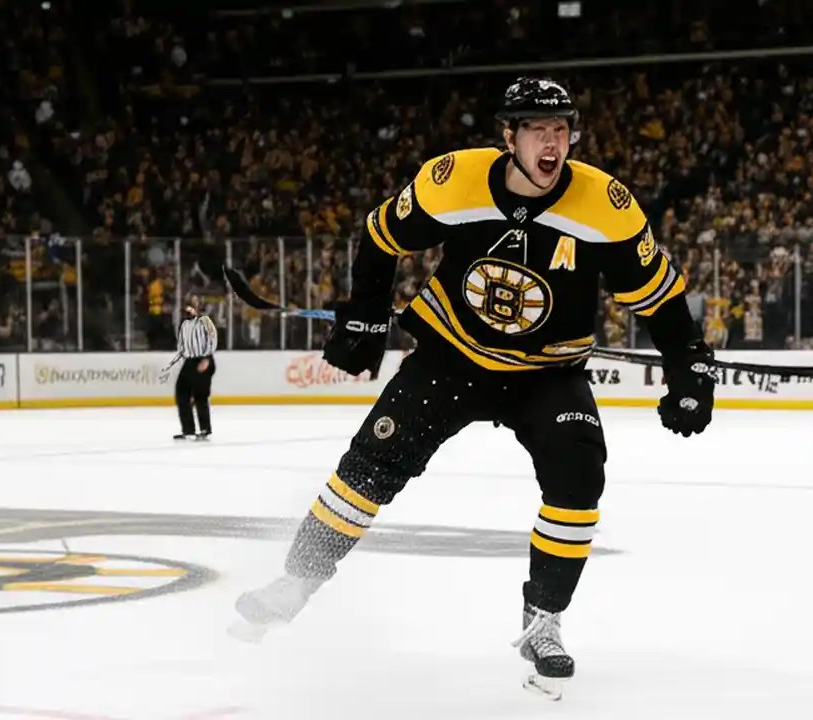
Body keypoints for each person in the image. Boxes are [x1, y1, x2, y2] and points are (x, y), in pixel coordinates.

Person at [231, 78, 716, 699]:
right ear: (507, 136)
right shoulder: (452, 180)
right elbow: (381, 235)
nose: (553, 143)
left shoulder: (606, 206)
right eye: (538, 131)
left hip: (548, 374)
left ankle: (543, 619)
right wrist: (364, 312)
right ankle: (295, 582)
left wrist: (689, 364)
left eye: (563, 130)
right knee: (369, 466)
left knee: (578, 472)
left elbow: (659, 296)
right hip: (451, 359)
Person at [166, 294, 218, 440]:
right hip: (189, 361)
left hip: (203, 359)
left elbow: (213, 338)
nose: (189, 308)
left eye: (192, 305)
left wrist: (207, 358)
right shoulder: (184, 324)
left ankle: (205, 429)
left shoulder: (205, 321)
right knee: (181, 393)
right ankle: (188, 429)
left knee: (200, 395)